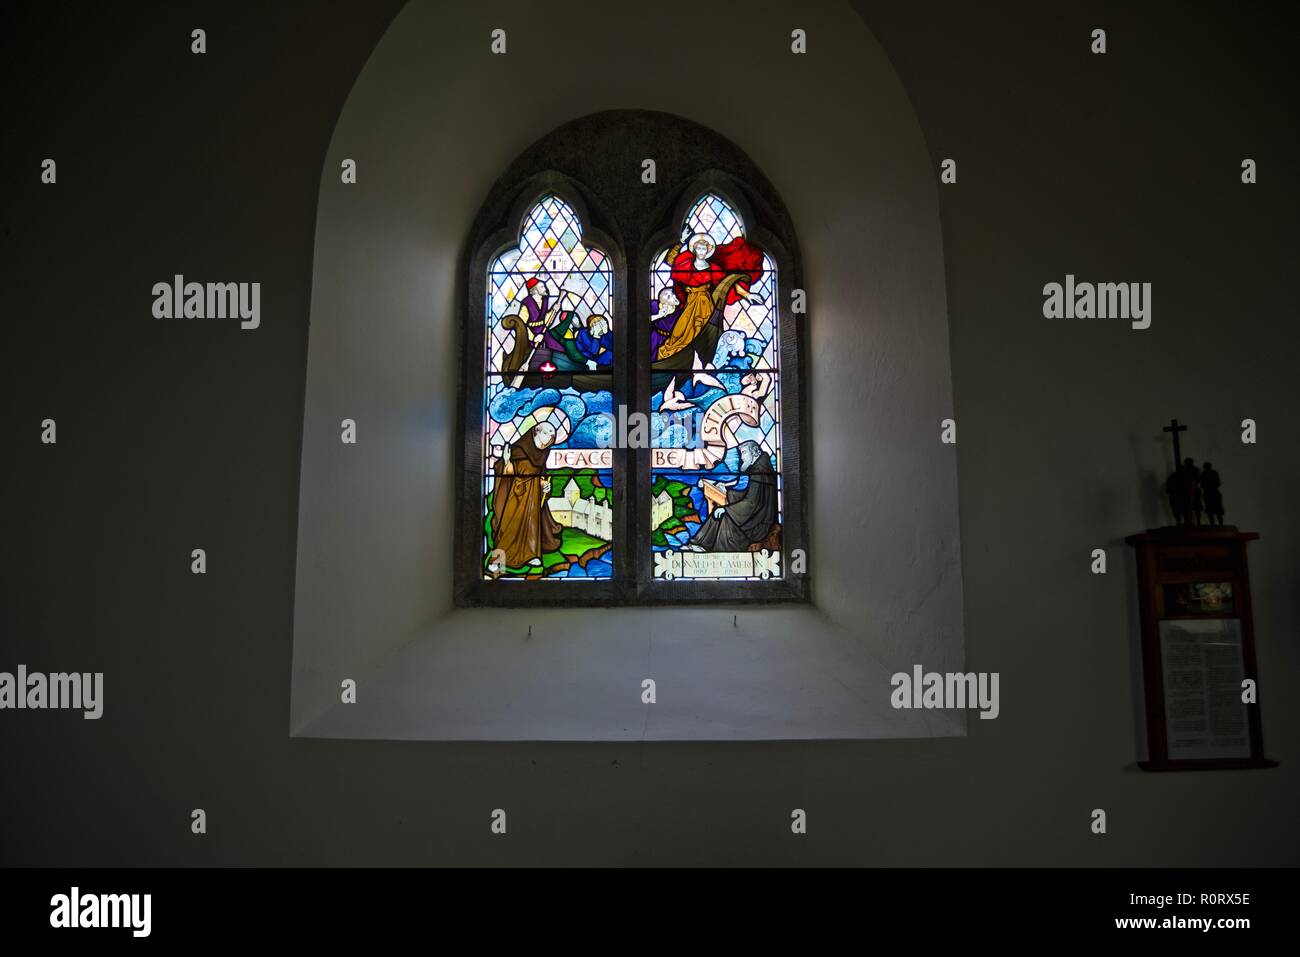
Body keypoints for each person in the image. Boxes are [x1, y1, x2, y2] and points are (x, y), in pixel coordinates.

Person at [490, 423, 563, 568]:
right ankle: (498, 560)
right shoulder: (518, 450)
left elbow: (541, 475)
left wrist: (544, 485)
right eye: (547, 433)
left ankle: (532, 555)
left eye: (552, 435)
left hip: (533, 495)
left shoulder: (542, 454)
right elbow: (507, 474)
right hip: (516, 494)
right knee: (510, 524)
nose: (550, 437)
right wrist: (506, 461)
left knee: (532, 525)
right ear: (536, 432)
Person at [684, 441, 778, 552]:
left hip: (759, 524)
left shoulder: (760, 471)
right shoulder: (760, 468)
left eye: (743, 453)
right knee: (719, 512)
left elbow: (752, 503)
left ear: (755, 453)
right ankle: (699, 543)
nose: (741, 457)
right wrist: (729, 493)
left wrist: (727, 509)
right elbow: (752, 497)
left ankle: (717, 549)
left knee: (725, 516)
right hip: (757, 518)